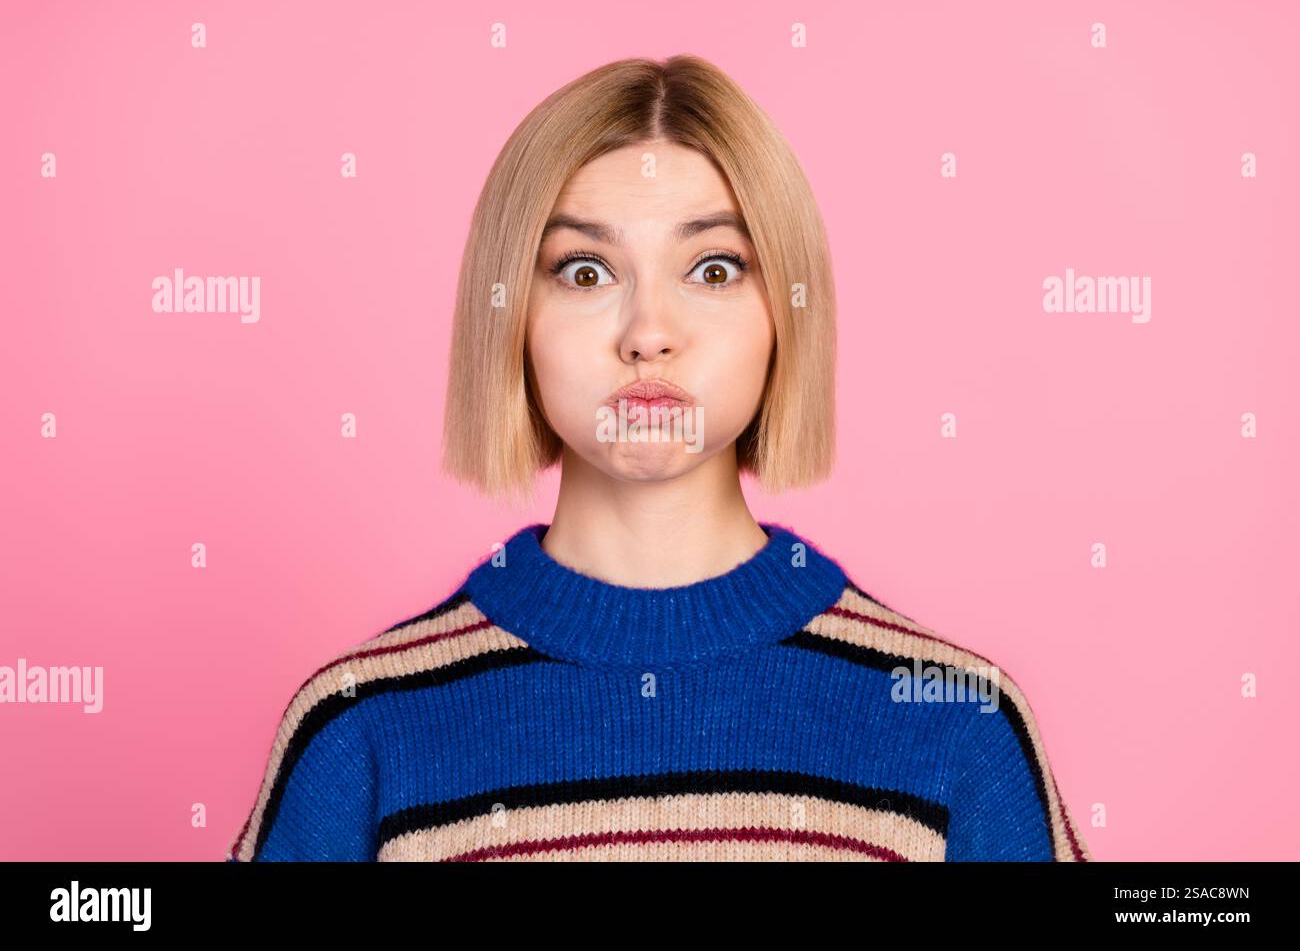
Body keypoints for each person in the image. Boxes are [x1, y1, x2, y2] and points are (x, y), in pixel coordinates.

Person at [227, 54, 1090, 862]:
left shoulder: (957, 727)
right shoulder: (361, 731)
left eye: (713, 270)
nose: (648, 335)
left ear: (786, 311)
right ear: (510, 316)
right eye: (585, 271)